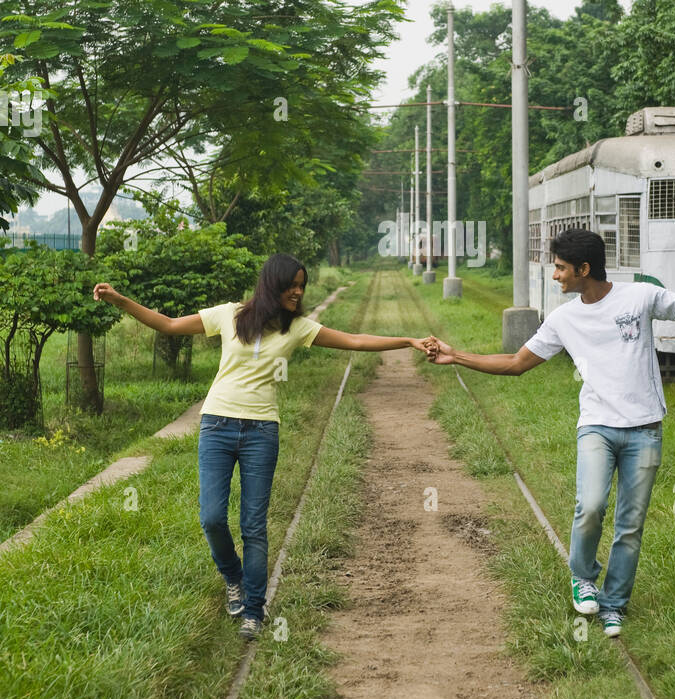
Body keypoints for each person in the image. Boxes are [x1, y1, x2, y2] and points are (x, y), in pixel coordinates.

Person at [426, 228, 675, 637]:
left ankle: (613, 604)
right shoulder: (563, 319)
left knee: (630, 524)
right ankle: (583, 576)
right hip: (597, 427)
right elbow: (516, 362)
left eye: (560, 268)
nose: (555, 275)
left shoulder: (640, 297)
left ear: (583, 269)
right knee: (589, 506)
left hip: (645, 429)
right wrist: (456, 356)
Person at [94, 253, 432, 639]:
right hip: (217, 425)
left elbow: (354, 340)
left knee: (254, 525)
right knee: (212, 517)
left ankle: (254, 609)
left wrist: (408, 340)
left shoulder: (298, 328)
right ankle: (232, 577)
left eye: (302, 285)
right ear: (272, 284)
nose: (299, 292)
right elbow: (168, 325)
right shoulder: (228, 315)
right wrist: (120, 301)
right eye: (292, 285)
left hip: (261, 432)